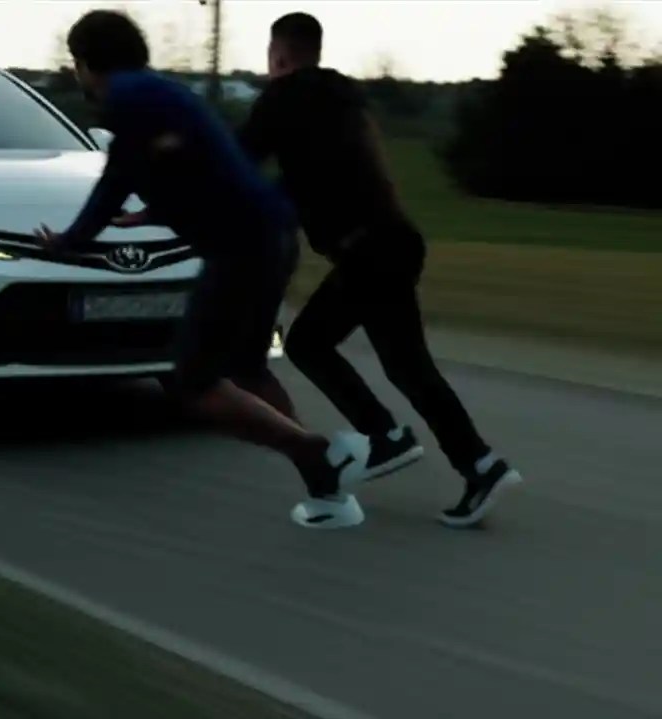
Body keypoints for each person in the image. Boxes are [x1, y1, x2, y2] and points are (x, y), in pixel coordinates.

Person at [34, 10, 382, 530]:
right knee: (246, 366)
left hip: (241, 247)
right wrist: (159, 210)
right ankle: (328, 491)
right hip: (268, 236)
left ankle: (323, 455)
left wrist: (69, 242)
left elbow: (116, 178)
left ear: (84, 61)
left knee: (192, 380)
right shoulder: (161, 92)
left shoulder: (127, 97)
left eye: (76, 65)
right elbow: (201, 164)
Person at [237, 12, 523, 528]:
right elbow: (309, 177)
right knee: (408, 366)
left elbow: (235, 166)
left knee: (307, 343)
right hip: (395, 241)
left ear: (278, 54)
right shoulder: (343, 98)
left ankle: (388, 437)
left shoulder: (281, 99)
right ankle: (480, 466)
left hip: (365, 251)